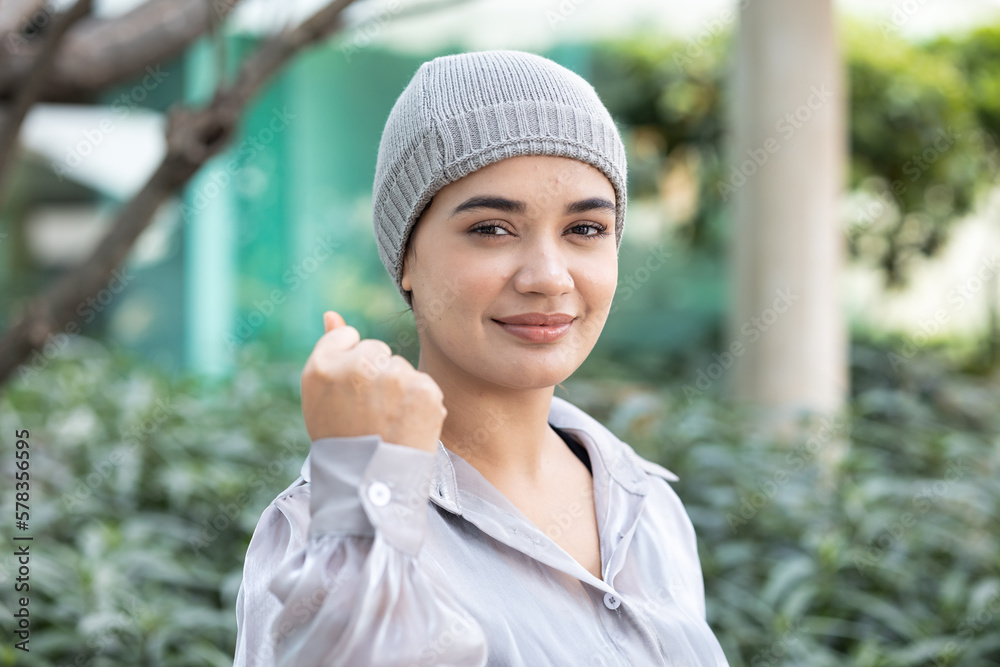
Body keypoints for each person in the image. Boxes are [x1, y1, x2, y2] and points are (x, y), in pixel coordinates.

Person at [233, 49, 729, 666]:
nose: (548, 277)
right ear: (406, 259)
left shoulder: (647, 505)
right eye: (492, 228)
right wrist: (364, 488)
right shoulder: (323, 526)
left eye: (586, 230)